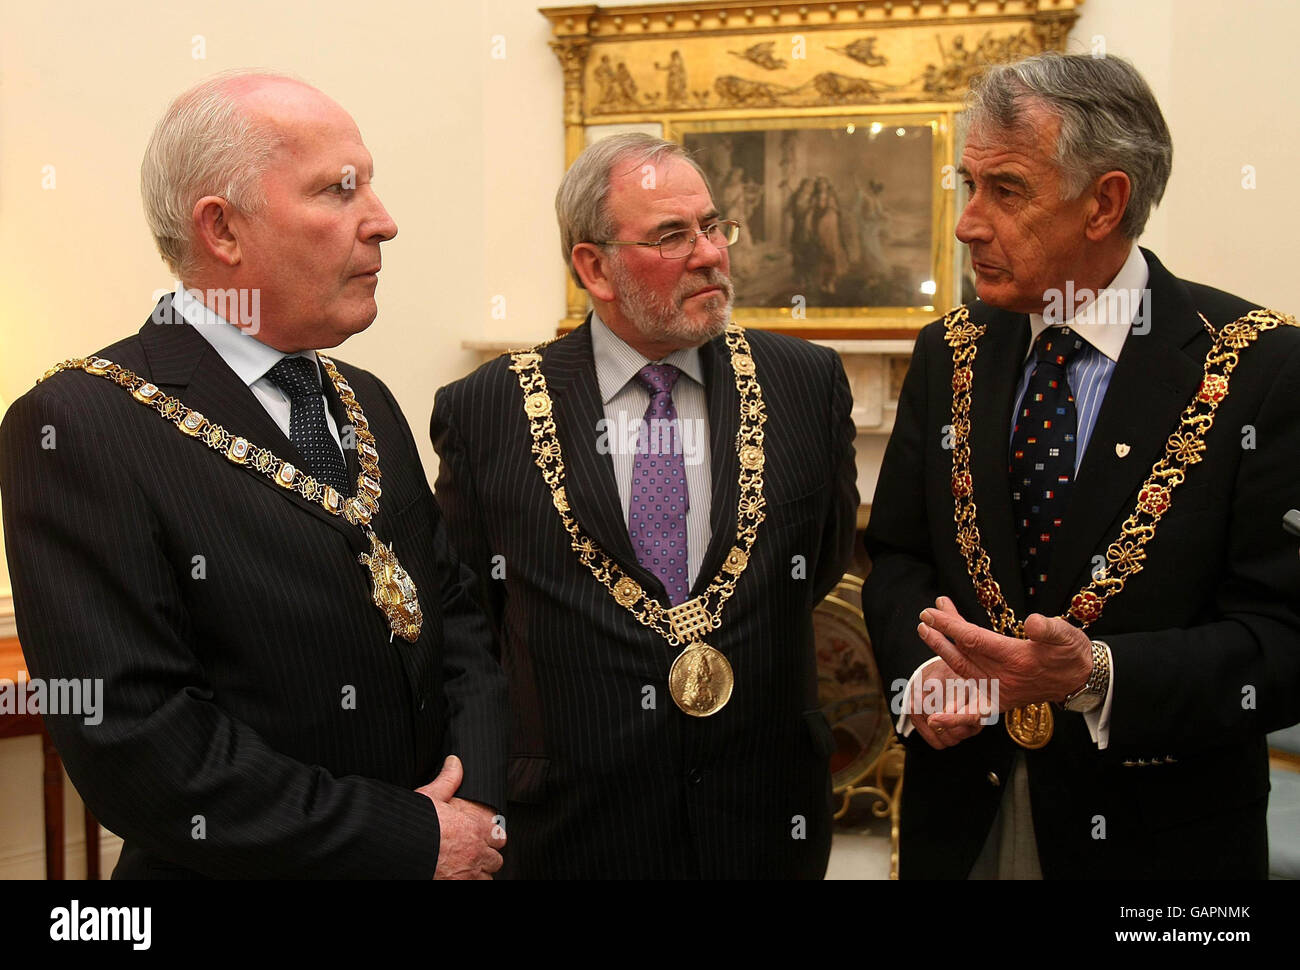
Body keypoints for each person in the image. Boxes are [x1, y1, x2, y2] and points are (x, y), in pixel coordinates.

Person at [0, 71, 508, 879]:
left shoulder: (361, 398)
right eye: (340, 192)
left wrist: (477, 804)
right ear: (223, 230)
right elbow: (142, 744)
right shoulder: (81, 424)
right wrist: (406, 839)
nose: (384, 221)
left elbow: (456, 624)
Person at [863, 52, 1300, 879]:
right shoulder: (948, 351)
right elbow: (898, 559)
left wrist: (1100, 675)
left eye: (1007, 190)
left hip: (1161, 839)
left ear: (1105, 202)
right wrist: (925, 673)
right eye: (970, 183)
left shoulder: (1258, 368)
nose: (968, 223)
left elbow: (1283, 637)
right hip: (963, 816)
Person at [431, 133, 858, 878]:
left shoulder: (805, 383)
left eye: (713, 225)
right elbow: (473, 617)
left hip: (762, 818)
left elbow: (816, 567)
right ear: (593, 266)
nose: (710, 254)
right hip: (571, 828)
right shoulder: (488, 408)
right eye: (671, 236)